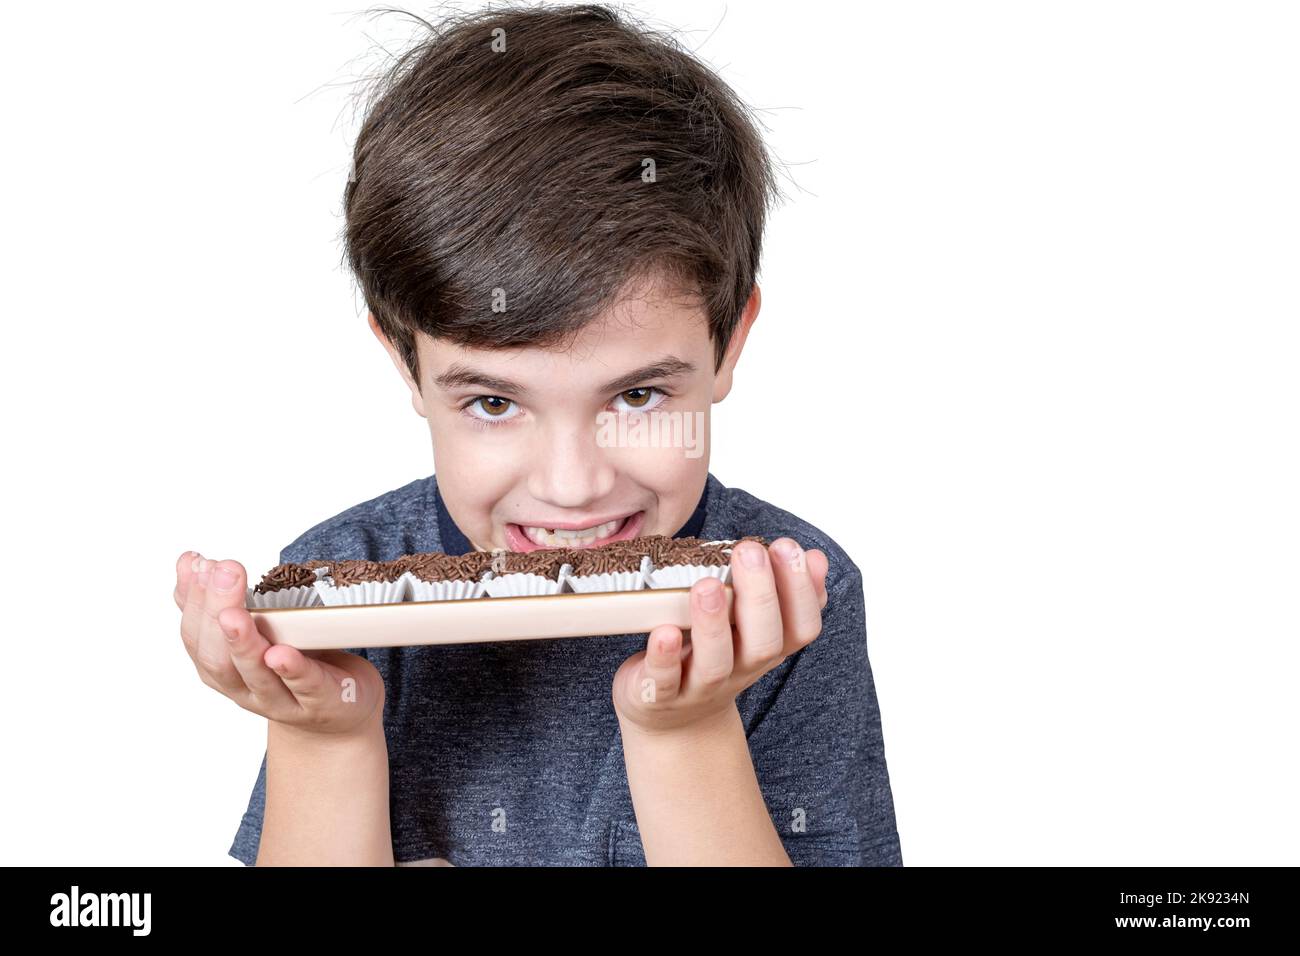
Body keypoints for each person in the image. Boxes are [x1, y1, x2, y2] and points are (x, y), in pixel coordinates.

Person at [174, 3, 901, 866]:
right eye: (493, 404)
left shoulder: (785, 601)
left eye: (636, 395)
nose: (571, 485)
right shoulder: (336, 607)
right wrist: (326, 739)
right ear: (407, 366)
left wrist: (686, 729)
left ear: (728, 344)